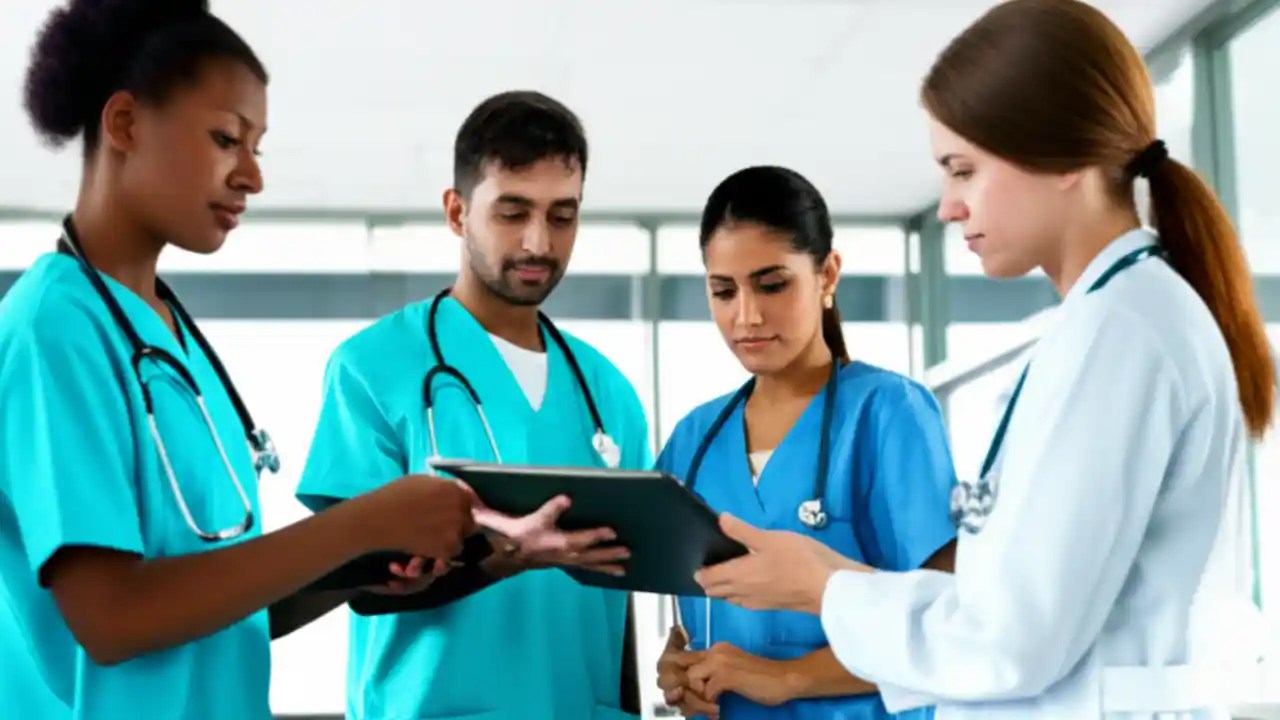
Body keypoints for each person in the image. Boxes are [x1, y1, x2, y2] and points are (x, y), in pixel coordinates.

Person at [691, 1, 1278, 718]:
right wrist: (831, 581)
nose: (948, 206)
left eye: (964, 171)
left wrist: (825, 587)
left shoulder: (1123, 335)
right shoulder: (1109, 323)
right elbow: (1010, 614)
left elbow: (1012, 641)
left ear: (1061, 158)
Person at [0, 2, 480, 718]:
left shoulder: (171, 336)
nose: (252, 176)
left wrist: (359, 566)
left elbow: (222, 611)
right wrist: (356, 524)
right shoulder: (53, 329)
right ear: (125, 123)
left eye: (257, 147)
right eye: (227, 139)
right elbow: (113, 618)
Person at [295, 90, 652, 720]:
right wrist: (501, 558)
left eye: (562, 216)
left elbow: (617, 593)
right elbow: (358, 583)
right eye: (513, 212)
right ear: (457, 212)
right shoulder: (373, 368)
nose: (539, 242)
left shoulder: (609, 393)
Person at [654, 166, 958, 720]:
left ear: (827, 275)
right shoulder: (694, 439)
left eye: (772, 285)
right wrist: (681, 670)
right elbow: (694, 617)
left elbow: (947, 624)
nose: (746, 316)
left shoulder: (888, 413)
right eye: (723, 291)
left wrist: (785, 678)